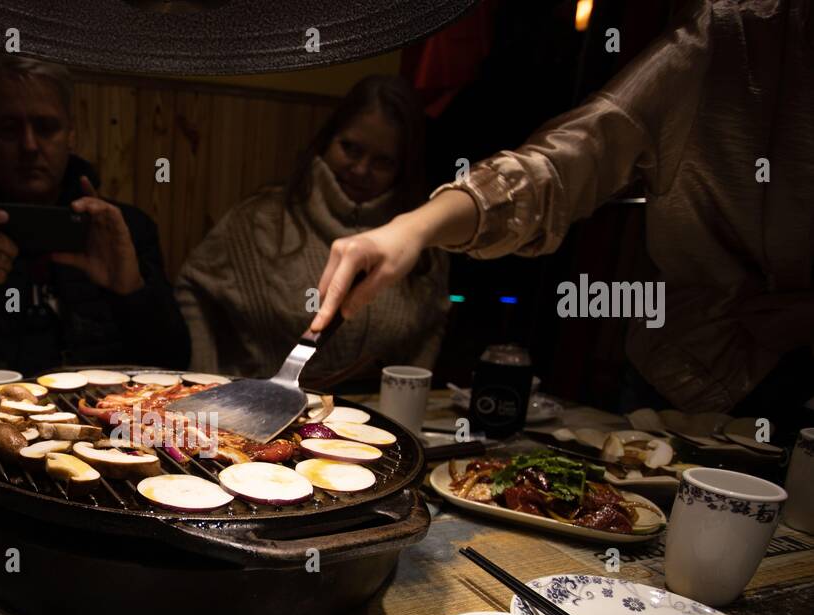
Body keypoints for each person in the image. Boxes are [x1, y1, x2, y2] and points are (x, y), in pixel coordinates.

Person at [311, 0, 813, 423]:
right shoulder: (741, 27)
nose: (362, 169)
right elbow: (566, 161)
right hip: (692, 361)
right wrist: (414, 227)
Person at [0, 52, 186, 392]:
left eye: (47, 128)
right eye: (8, 129)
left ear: (71, 133)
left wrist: (133, 291)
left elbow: (176, 366)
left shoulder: (125, 228)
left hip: (108, 427)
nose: (29, 146)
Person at [175, 76, 448, 391]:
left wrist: (409, 398)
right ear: (327, 140)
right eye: (350, 148)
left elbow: (432, 322)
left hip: (371, 423)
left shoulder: (419, 245)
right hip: (256, 409)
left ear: (403, 169)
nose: (360, 169)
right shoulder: (260, 221)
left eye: (383, 161)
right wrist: (206, 381)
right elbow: (193, 288)